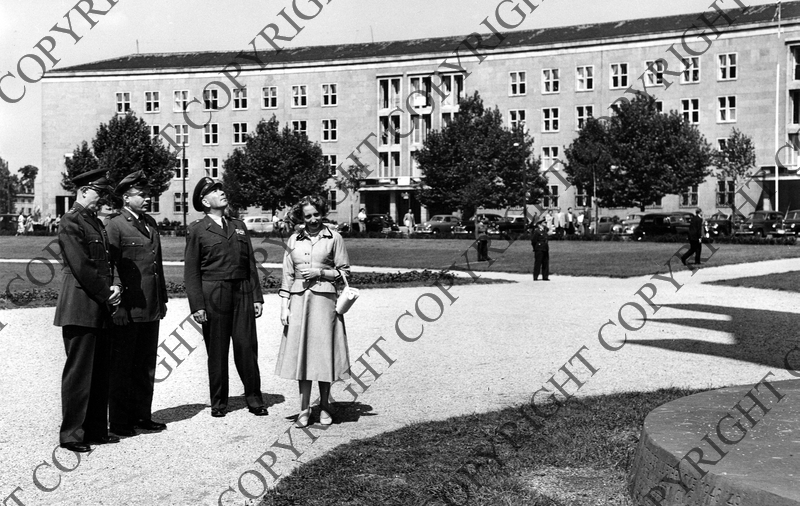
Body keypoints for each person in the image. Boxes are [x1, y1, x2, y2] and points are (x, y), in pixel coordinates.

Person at [184, 177, 268, 418]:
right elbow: (191, 271)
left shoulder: (238, 225)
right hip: (214, 294)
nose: (221, 192)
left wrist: (256, 297)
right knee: (217, 350)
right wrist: (197, 305)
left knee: (246, 346)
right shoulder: (198, 230)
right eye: (214, 190)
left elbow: (250, 264)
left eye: (221, 188)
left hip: (241, 291)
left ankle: (254, 398)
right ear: (204, 201)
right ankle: (219, 403)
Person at [53, 167, 122, 453]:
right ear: (83, 190)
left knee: (99, 370)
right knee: (79, 372)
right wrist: (107, 293)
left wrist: (113, 288)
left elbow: (106, 262)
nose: (101, 198)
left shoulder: (92, 221)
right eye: (98, 192)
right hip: (81, 305)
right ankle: (71, 434)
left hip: (98, 305)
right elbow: (82, 266)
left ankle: (95, 429)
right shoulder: (71, 221)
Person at [276, 195, 351, 428]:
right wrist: (283, 306)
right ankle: (304, 408)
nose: (313, 220)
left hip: (324, 302)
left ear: (323, 213)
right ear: (302, 217)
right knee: (303, 356)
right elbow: (287, 274)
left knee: (323, 354)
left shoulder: (334, 238)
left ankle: (326, 406)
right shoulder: (293, 239)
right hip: (299, 302)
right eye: (308, 216)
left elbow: (345, 272)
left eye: (316, 214)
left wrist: (322, 273)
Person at [105, 171, 168, 437]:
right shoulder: (115, 225)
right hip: (128, 308)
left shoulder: (149, 223)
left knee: (145, 366)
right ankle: (120, 421)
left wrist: (162, 300)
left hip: (150, 306)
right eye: (140, 194)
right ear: (125, 197)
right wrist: (117, 308)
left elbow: (157, 267)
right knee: (123, 367)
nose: (146, 198)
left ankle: (142, 415)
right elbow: (111, 267)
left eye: (146, 194)